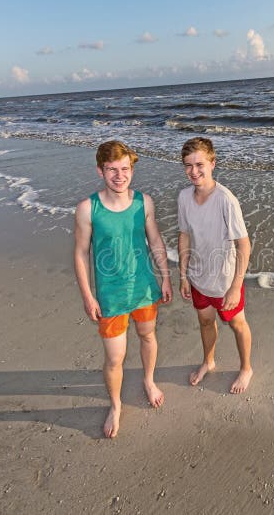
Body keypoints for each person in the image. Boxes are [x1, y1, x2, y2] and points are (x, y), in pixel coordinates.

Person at [74, 140, 172, 438]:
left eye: (125, 169)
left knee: (147, 336)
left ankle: (149, 380)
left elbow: (154, 241)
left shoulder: (145, 202)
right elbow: (80, 253)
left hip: (143, 288)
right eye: (112, 170)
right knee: (115, 357)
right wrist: (88, 295)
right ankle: (115, 405)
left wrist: (165, 277)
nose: (120, 176)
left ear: (132, 169)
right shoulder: (87, 208)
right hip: (111, 296)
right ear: (100, 170)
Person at [177, 137, 253, 394]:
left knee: (237, 324)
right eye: (188, 165)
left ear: (212, 163)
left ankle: (246, 368)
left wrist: (235, 287)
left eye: (200, 164)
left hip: (224, 280)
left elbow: (244, 245)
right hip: (199, 277)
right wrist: (184, 275)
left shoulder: (225, 199)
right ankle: (208, 362)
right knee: (205, 322)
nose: (194, 171)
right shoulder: (184, 197)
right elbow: (184, 235)